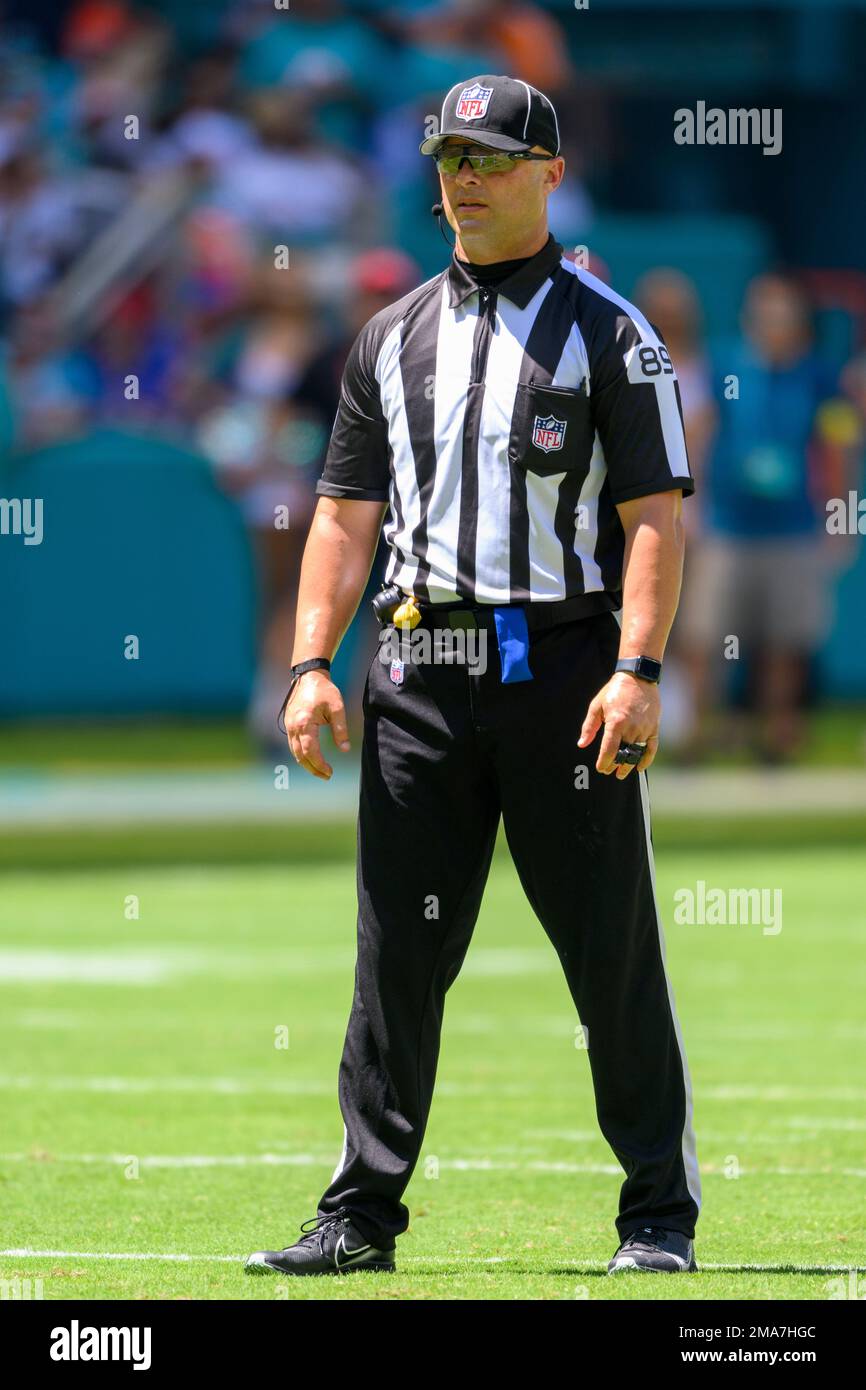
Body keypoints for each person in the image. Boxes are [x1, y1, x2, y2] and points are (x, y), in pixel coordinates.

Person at [245, 74, 701, 1279]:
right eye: (451, 155)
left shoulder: (610, 329)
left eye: (493, 157)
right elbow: (341, 519)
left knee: (607, 950)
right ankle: (359, 1216)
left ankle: (656, 1215)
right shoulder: (387, 336)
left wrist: (636, 667)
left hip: (558, 670)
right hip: (417, 669)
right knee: (393, 954)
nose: (467, 176)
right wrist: (308, 663)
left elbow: (651, 515)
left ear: (549, 173)